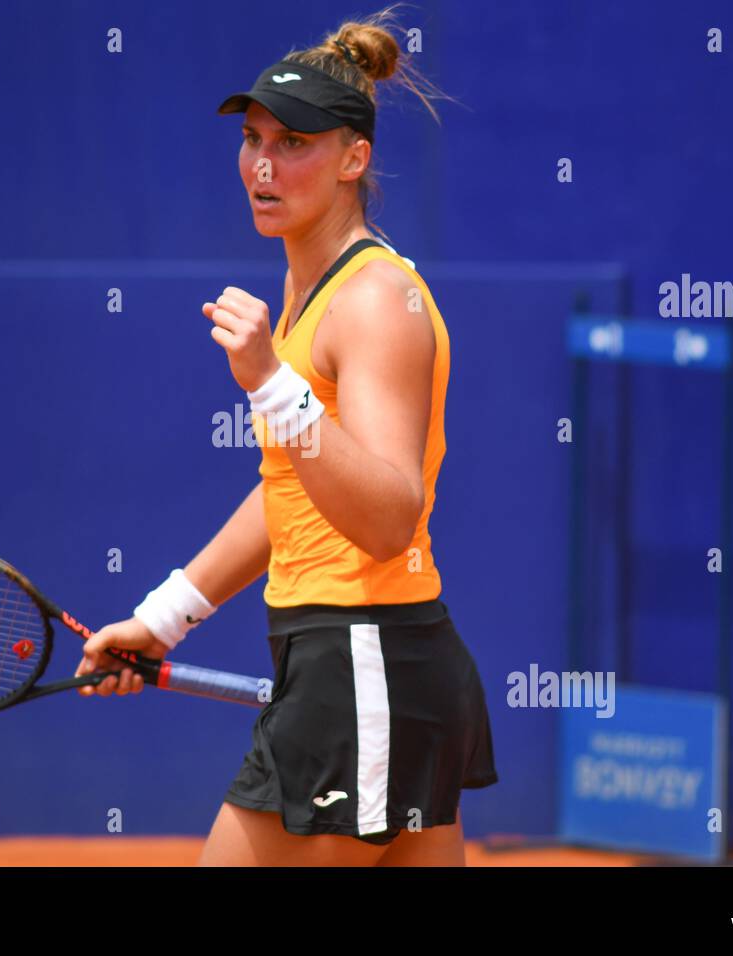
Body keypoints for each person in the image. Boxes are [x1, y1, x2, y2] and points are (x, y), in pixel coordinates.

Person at [75, 8, 498, 866]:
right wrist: (164, 618)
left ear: (354, 159)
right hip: (369, 668)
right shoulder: (309, 295)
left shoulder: (374, 302)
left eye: (296, 143)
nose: (263, 164)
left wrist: (272, 382)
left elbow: (387, 516)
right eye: (254, 138)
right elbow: (296, 492)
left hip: (363, 662)